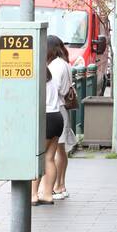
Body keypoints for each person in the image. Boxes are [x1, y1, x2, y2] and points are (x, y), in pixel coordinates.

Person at [33, 34, 71, 205]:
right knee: (49, 157)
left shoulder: (39, 77)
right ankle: (48, 194)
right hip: (57, 116)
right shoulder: (50, 76)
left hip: (46, 118)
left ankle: (33, 195)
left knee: (36, 157)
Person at [51, 40, 78, 199]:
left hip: (57, 108)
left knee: (55, 151)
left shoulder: (55, 65)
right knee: (61, 150)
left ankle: (56, 186)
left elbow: (56, 88)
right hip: (63, 110)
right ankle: (61, 184)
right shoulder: (65, 63)